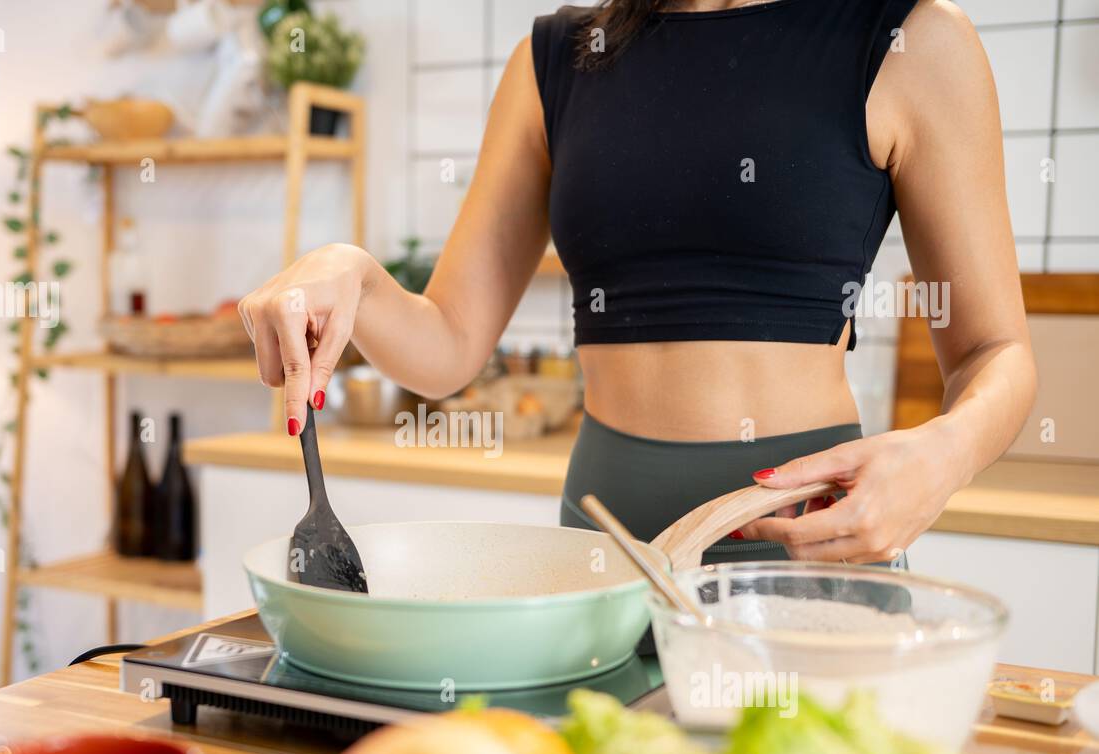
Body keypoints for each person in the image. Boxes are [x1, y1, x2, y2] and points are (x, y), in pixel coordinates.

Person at [237, 0, 1036, 567]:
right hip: (599, 554)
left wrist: (943, 457)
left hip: (805, 546)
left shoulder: (910, 39)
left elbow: (996, 352)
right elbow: (447, 346)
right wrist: (353, 273)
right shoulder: (555, 59)